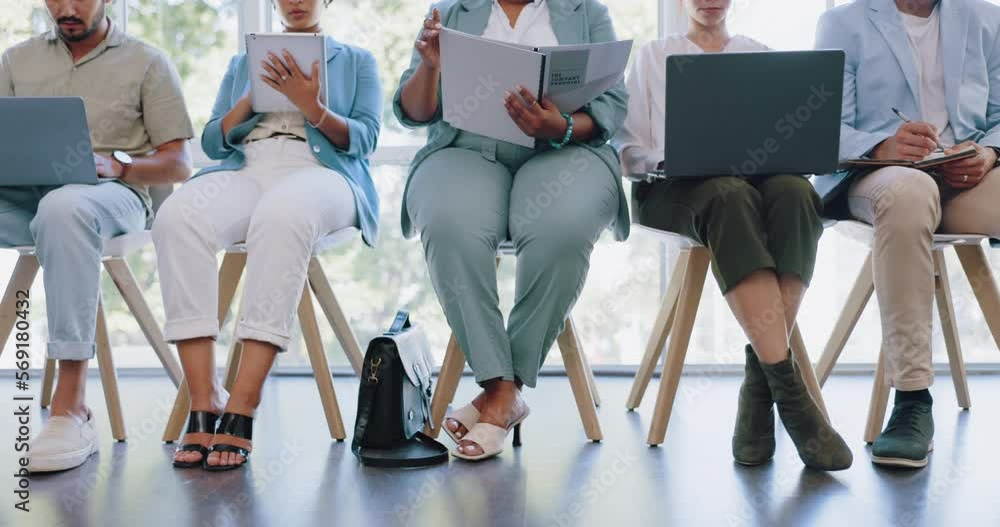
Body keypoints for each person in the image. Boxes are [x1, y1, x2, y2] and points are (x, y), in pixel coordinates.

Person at [613, 0, 853, 471]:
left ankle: (761, 386)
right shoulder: (654, 55)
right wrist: (667, 159)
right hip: (672, 191)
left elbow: (787, 139)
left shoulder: (760, 54)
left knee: (797, 194)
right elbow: (627, 146)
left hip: (754, 184)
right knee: (730, 197)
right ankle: (795, 403)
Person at [394, 0, 630, 461]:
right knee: (449, 226)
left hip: (565, 149)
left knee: (562, 230)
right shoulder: (451, 12)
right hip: (465, 149)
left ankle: (500, 394)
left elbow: (612, 106)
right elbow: (415, 112)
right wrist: (429, 66)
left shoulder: (587, 12)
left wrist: (560, 125)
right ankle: (503, 391)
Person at [153, 0, 382, 471]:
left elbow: (365, 140)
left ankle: (244, 401)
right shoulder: (243, 62)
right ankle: (205, 398)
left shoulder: (357, 60)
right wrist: (250, 99)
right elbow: (213, 142)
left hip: (322, 173)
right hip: (249, 168)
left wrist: (313, 107)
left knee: (281, 215)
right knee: (177, 218)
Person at [0, 0, 194, 472]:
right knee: (54, 209)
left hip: (111, 196)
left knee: (63, 209)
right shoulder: (16, 60)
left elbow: (179, 163)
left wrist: (119, 165)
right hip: (25, 196)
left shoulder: (147, 62)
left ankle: (71, 407)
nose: (66, 8)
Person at [815, 0, 1000, 468]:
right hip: (879, 176)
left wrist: (989, 152)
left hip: (964, 176)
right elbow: (823, 127)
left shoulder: (988, 19)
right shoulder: (843, 23)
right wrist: (883, 146)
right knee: (909, 193)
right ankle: (913, 401)